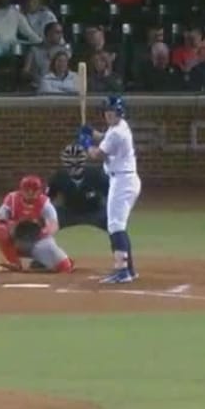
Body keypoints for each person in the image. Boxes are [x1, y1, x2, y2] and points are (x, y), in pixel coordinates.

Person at [78, 94, 140, 284]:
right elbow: (104, 138)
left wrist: (86, 142)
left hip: (123, 181)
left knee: (115, 225)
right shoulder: (119, 127)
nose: (108, 115)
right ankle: (128, 269)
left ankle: (122, 272)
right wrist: (91, 132)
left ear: (119, 112)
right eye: (106, 111)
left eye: (111, 112)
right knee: (118, 224)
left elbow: (97, 154)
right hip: (125, 180)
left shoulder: (117, 133)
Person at [0, 174, 75, 273]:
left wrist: (43, 231)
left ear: (40, 191)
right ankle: (13, 262)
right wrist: (15, 225)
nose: (30, 193)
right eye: (27, 190)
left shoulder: (45, 204)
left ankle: (44, 261)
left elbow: (54, 225)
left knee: (65, 267)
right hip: (16, 240)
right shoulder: (11, 199)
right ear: (21, 190)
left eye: (34, 190)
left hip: (38, 240)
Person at [47, 142, 109, 231]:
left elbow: (110, 195)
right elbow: (48, 199)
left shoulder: (96, 174)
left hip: (95, 213)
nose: (73, 167)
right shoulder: (59, 176)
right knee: (52, 216)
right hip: (69, 213)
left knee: (110, 217)